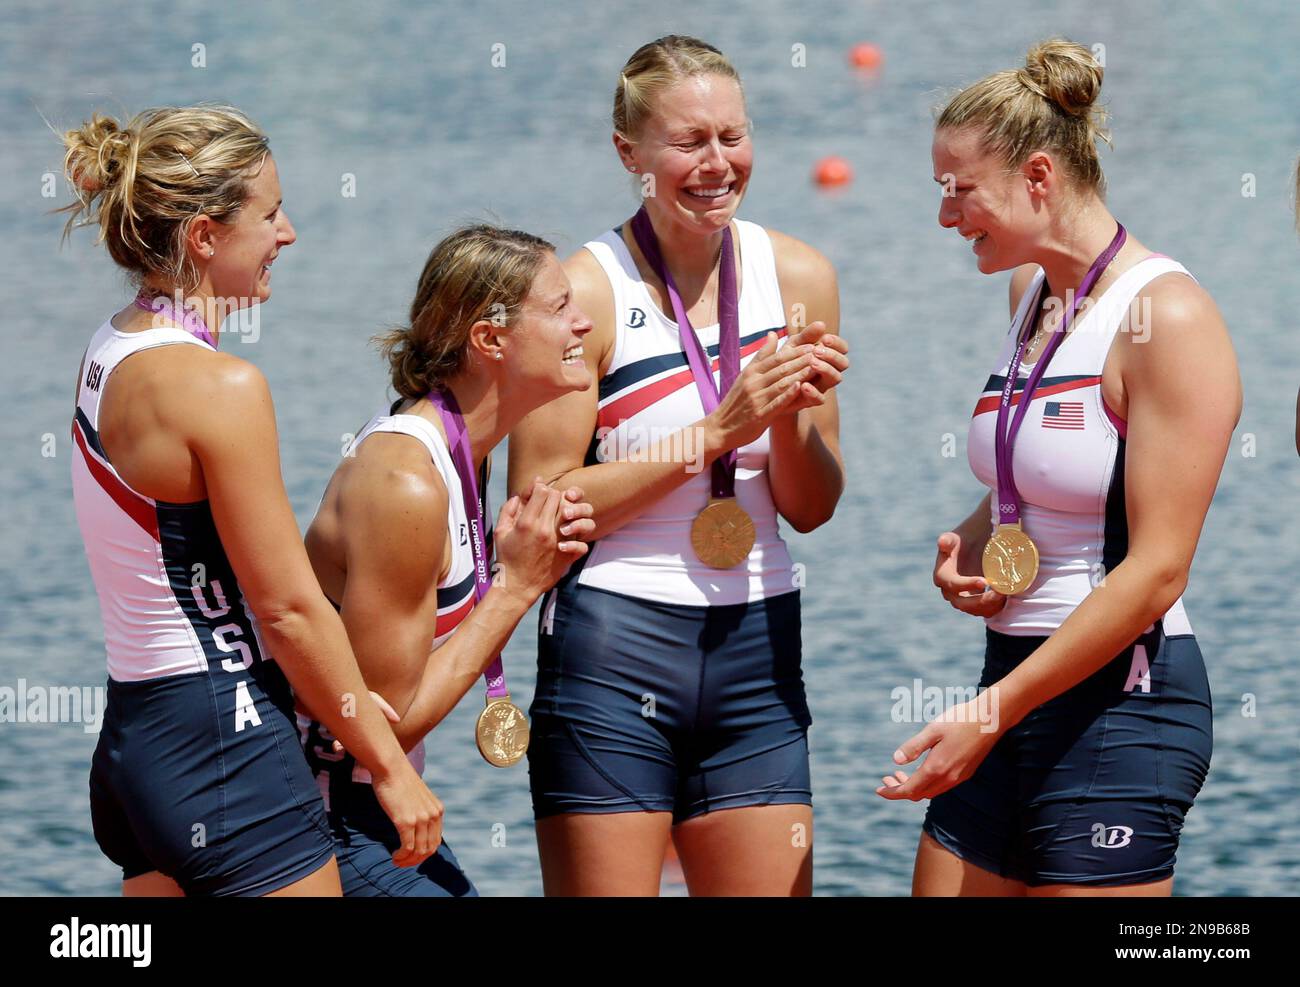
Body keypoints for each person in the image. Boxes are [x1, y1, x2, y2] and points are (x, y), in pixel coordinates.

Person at [877, 40, 1241, 897]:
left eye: (956, 191)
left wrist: (997, 712)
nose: (944, 217)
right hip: (1004, 682)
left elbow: (1157, 570)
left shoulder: (1167, 314)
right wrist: (974, 542)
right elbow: (1046, 478)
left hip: (1124, 708)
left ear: (1037, 177)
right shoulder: (1031, 294)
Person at [62, 105, 441, 896]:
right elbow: (288, 607)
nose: (289, 233)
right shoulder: (222, 389)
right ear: (204, 236)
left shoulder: (109, 350)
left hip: (136, 749)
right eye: (269, 214)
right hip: (223, 744)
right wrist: (388, 762)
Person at [508, 35, 850, 896]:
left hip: (759, 651)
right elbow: (536, 508)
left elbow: (810, 507)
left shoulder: (800, 275)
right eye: (689, 142)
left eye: (732, 137)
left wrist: (793, 417)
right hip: (614, 654)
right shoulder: (581, 293)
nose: (718, 164)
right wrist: (715, 428)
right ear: (629, 151)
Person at [298, 224, 596, 895]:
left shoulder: (463, 449)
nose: (583, 321)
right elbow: (384, 723)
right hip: (320, 817)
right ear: (490, 341)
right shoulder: (406, 479)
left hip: (373, 806)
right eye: (558, 308)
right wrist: (517, 586)